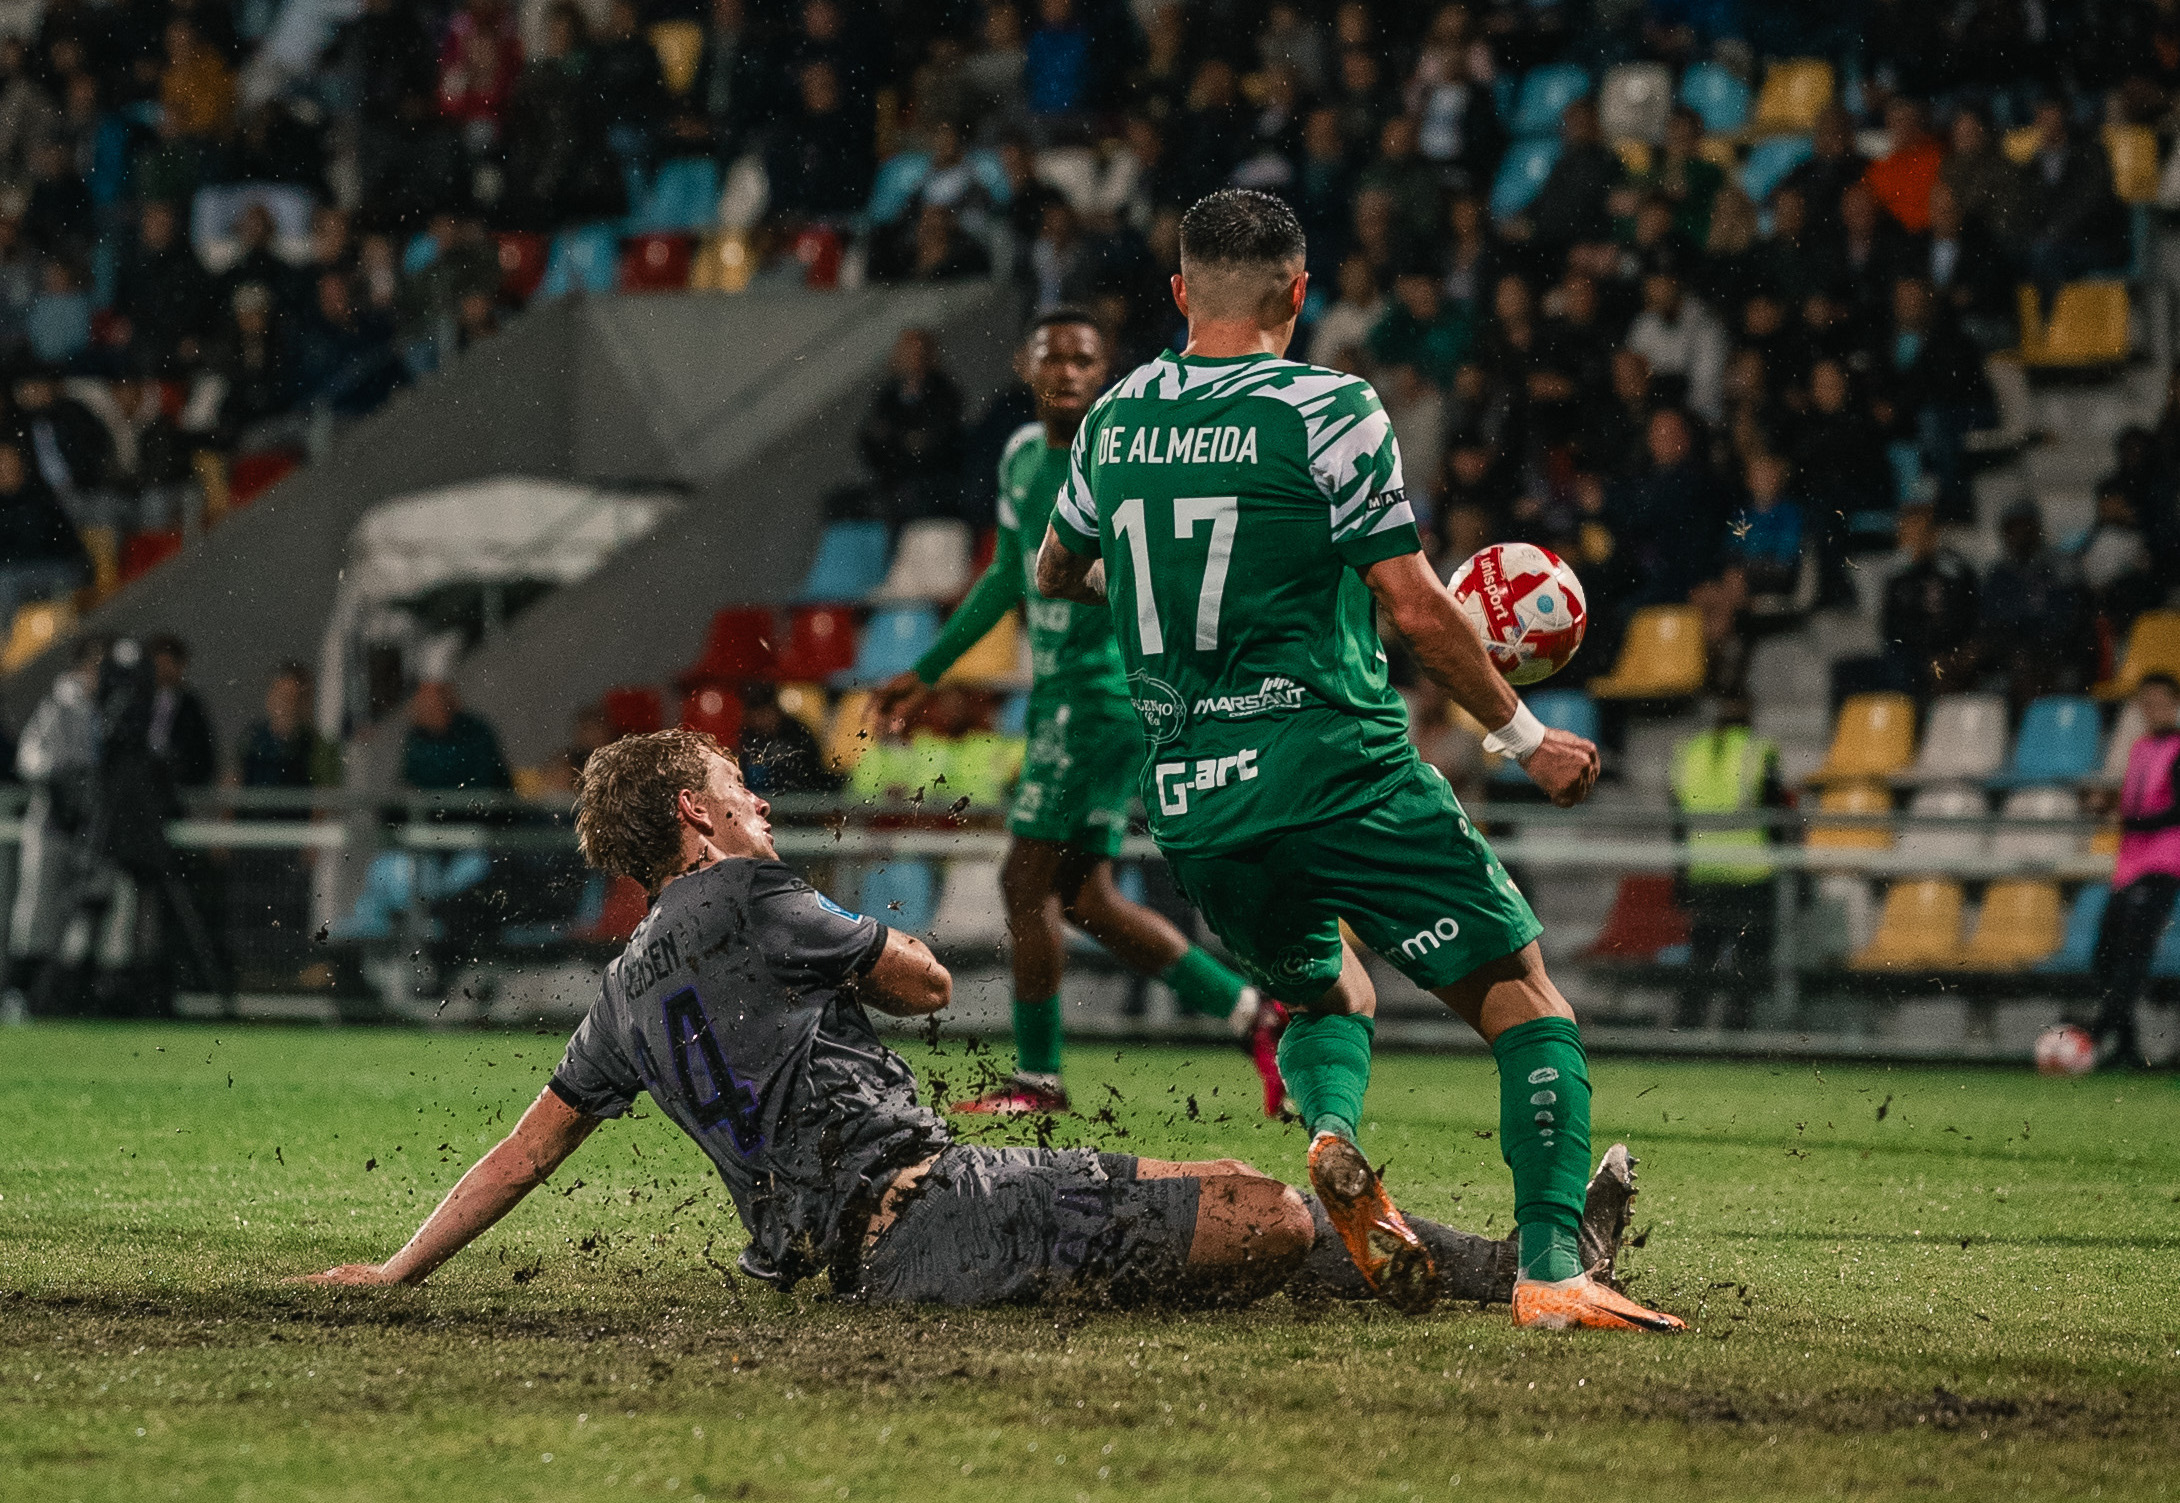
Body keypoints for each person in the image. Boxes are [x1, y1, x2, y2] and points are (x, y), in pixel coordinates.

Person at [293, 731, 1647, 1307]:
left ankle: (1503, 1266)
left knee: (1238, 1243)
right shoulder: (752, 892)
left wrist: (397, 1265)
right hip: (937, 1208)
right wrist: (884, 946)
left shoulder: (625, 981)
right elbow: (927, 983)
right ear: (697, 817)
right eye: (739, 786)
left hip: (853, 1254)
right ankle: (1524, 1259)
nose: (760, 796)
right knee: (1267, 1206)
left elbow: (525, 1151)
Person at [1035, 189, 1681, 1332]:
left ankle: (1334, 1135)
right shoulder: (1327, 406)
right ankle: (1548, 1270)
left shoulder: (1114, 419)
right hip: (1339, 768)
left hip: (1193, 799)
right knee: (1526, 1003)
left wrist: (1153, 592)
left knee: (1320, 985)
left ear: (1180, 294)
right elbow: (1416, 609)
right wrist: (1523, 738)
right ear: (1298, 293)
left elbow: (1055, 571)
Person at [876, 309, 1281, 1117]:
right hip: (1057, 696)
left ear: (1107, 372)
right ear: (1027, 366)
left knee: (1024, 882)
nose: (1066, 371)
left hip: (1102, 698)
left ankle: (1038, 1080)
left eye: (1084, 358)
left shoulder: (1120, 456)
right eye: (1052, 357)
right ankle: (1252, 1014)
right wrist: (924, 671)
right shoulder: (1024, 456)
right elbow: (1005, 581)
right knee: (1086, 898)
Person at [1670, 696, 1784, 1031]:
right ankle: (1736, 1035)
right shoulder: (1758, 751)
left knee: (1702, 959)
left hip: (1703, 871)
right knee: (1747, 965)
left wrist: (1681, 875)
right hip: (1752, 872)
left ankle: (1687, 1034)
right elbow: (1776, 816)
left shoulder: (1690, 752)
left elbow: (1677, 822)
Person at [4, 635, 103, 1015]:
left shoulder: (102, 710)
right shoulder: (59, 706)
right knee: (35, 917)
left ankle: (58, 1000)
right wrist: (64, 778)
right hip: (51, 828)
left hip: (85, 832)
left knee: (78, 921)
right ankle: (18, 997)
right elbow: (30, 759)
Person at [2091, 674, 2180, 1069]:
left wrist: (2133, 821)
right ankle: (2124, 1045)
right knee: (2105, 956)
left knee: (2131, 954)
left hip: (2163, 861)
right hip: (2129, 864)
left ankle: (2096, 1033)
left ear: (2174, 703)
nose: (2152, 708)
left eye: (2160, 701)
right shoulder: (2141, 746)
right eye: (2146, 702)